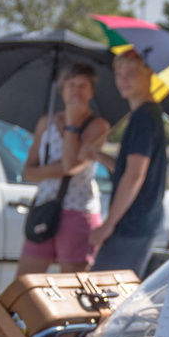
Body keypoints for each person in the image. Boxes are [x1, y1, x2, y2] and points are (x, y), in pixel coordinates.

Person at [15, 61, 108, 277]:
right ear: (62, 89)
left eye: (83, 86)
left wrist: (72, 125)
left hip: (77, 209)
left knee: (73, 285)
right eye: (71, 85)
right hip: (45, 206)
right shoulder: (46, 122)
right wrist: (54, 169)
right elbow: (28, 171)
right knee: (25, 282)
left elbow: (71, 166)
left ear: (91, 91)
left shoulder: (97, 125)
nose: (76, 91)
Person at [87, 50, 166, 276]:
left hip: (132, 223)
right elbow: (130, 170)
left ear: (149, 74)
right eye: (119, 73)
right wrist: (99, 156)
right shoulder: (144, 115)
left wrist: (107, 225)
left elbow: (135, 175)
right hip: (140, 220)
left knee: (105, 292)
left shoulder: (143, 117)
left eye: (131, 73)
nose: (123, 79)